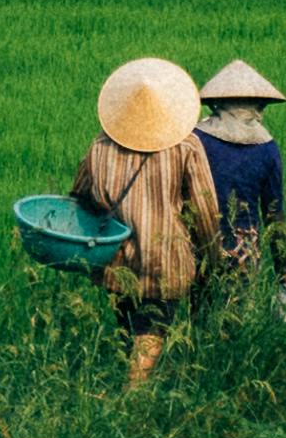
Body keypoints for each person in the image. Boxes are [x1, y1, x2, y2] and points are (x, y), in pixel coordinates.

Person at [72, 56, 221, 384]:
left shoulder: (100, 146)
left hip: (116, 258)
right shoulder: (185, 146)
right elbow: (205, 209)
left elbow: (80, 198)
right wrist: (213, 256)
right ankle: (132, 399)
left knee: (128, 329)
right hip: (165, 257)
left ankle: (127, 390)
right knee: (151, 329)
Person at [196, 61, 286, 289]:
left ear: (217, 103)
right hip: (243, 251)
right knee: (235, 315)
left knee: (199, 317)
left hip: (197, 245)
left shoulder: (195, 139)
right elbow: (274, 215)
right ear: (257, 106)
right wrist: (284, 276)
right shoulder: (267, 147)